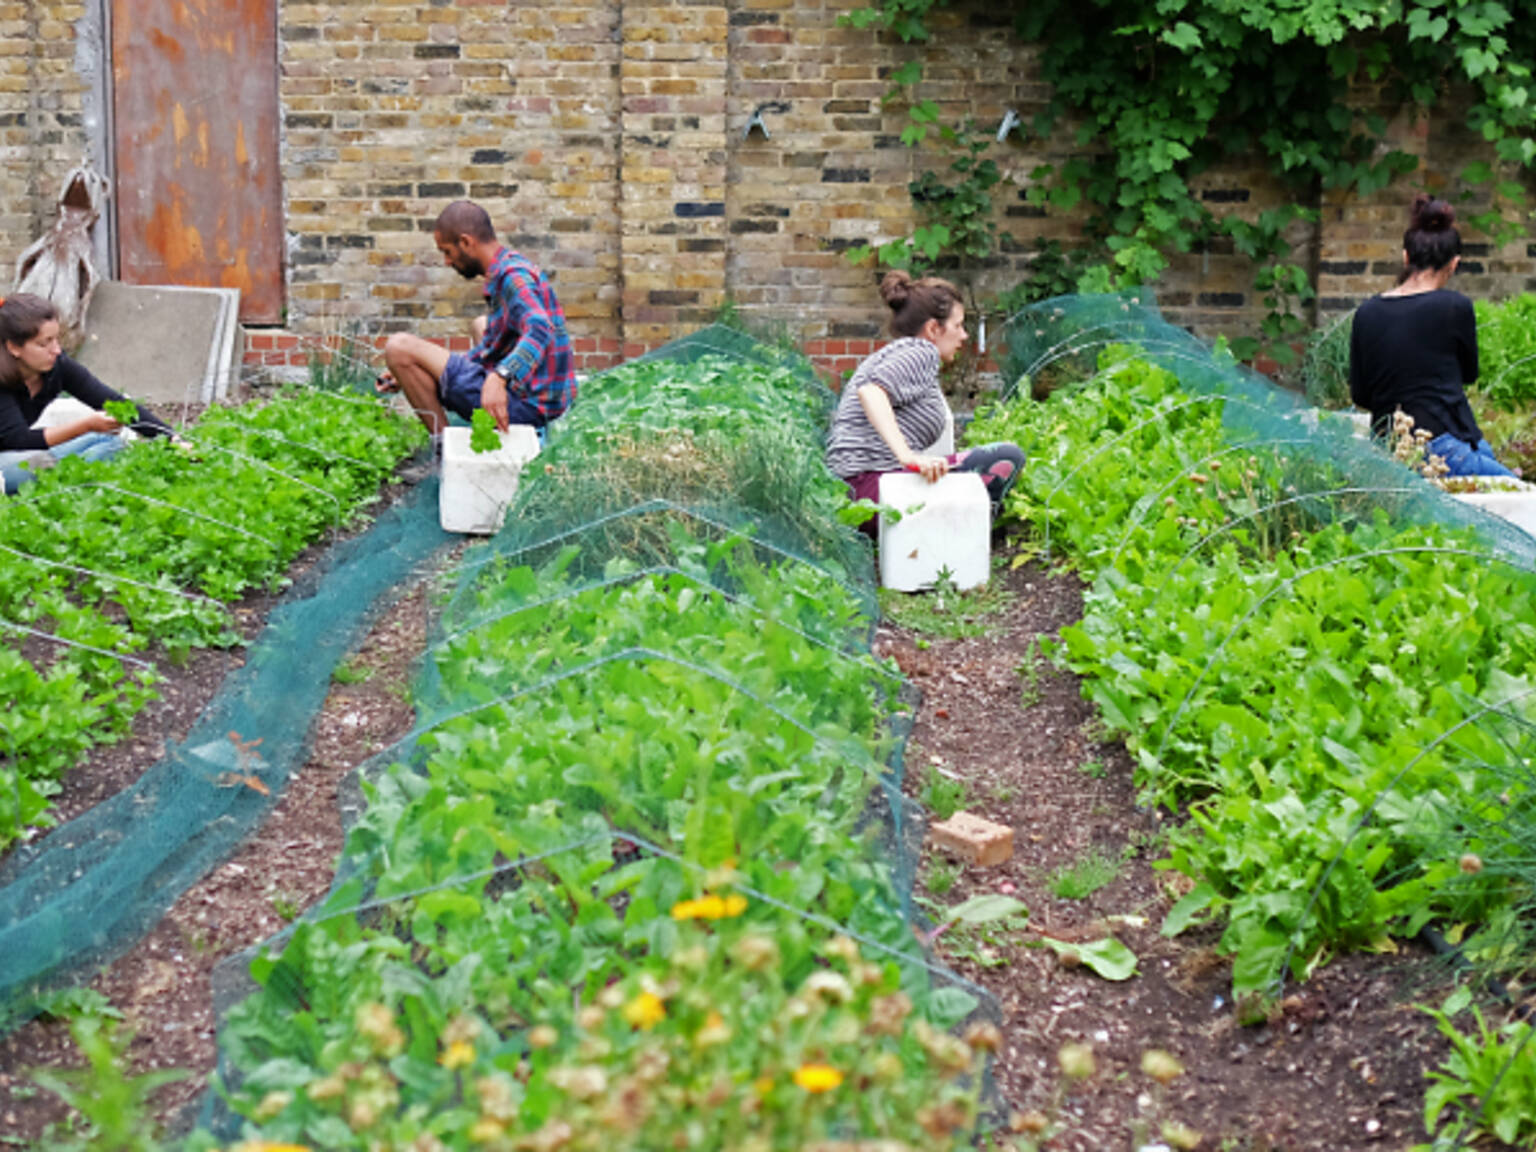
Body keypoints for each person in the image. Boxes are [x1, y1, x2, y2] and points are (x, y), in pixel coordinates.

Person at [826, 271, 1024, 536]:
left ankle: (957, 531)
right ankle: (966, 535)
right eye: (958, 326)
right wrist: (907, 456)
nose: (964, 336)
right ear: (933, 329)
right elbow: (872, 392)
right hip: (872, 491)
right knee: (1007, 456)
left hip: (861, 489)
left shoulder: (900, 353)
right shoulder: (921, 351)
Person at [378, 200, 576, 440]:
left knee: (399, 348)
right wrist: (418, 371)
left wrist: (500, 376)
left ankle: (443, 448)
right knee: (482, 325)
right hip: (540, 400)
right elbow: (489, 350)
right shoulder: (510, 265)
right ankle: (442, 427)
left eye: (447, 252)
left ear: (466, 242)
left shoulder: (512, 277)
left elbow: (541, 328)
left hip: (528, 409)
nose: (447, 262)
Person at [1348, 194, 1515, 478]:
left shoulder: (1366, 312)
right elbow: (1468, 374)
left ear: (1406, 257)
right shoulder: (1454, 307)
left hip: (1389, 447)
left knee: (1487, 457)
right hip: (1441, 446)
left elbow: (1361, 394)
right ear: (1454, 263)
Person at [0, 293, 173, 494]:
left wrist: (173, 439)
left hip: (20, 455)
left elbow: (112, 401)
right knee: (35, 462)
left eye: (56, 339)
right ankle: (60, 483)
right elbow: (19, 439)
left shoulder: (58, 367)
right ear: (13, 348)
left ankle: (56, 483)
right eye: (44, 343)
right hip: (10, 458)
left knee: (109, 442)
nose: (56, 350)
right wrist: (86, 425)